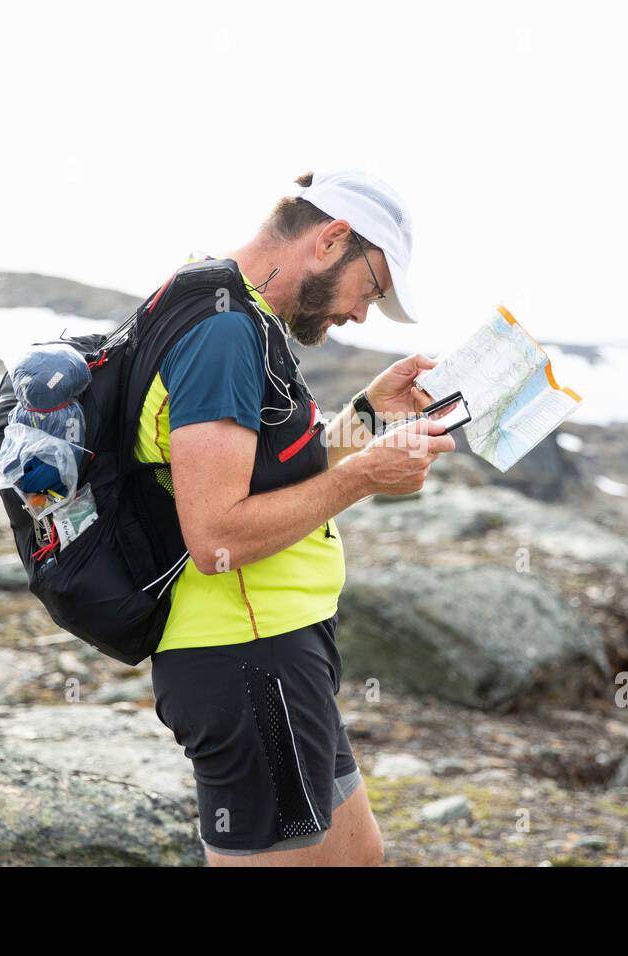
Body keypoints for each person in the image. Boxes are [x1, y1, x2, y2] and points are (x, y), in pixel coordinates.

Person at [139, 170, 455, 866]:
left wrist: (368, 415)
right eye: (369, 289)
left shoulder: (233, 307)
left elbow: (269, 467)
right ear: (332, 239)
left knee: (355, 856)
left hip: (282, 652)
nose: (361, 314)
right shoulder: (223, 332)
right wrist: (364, 478)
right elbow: (216, 536)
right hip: (247, 661)